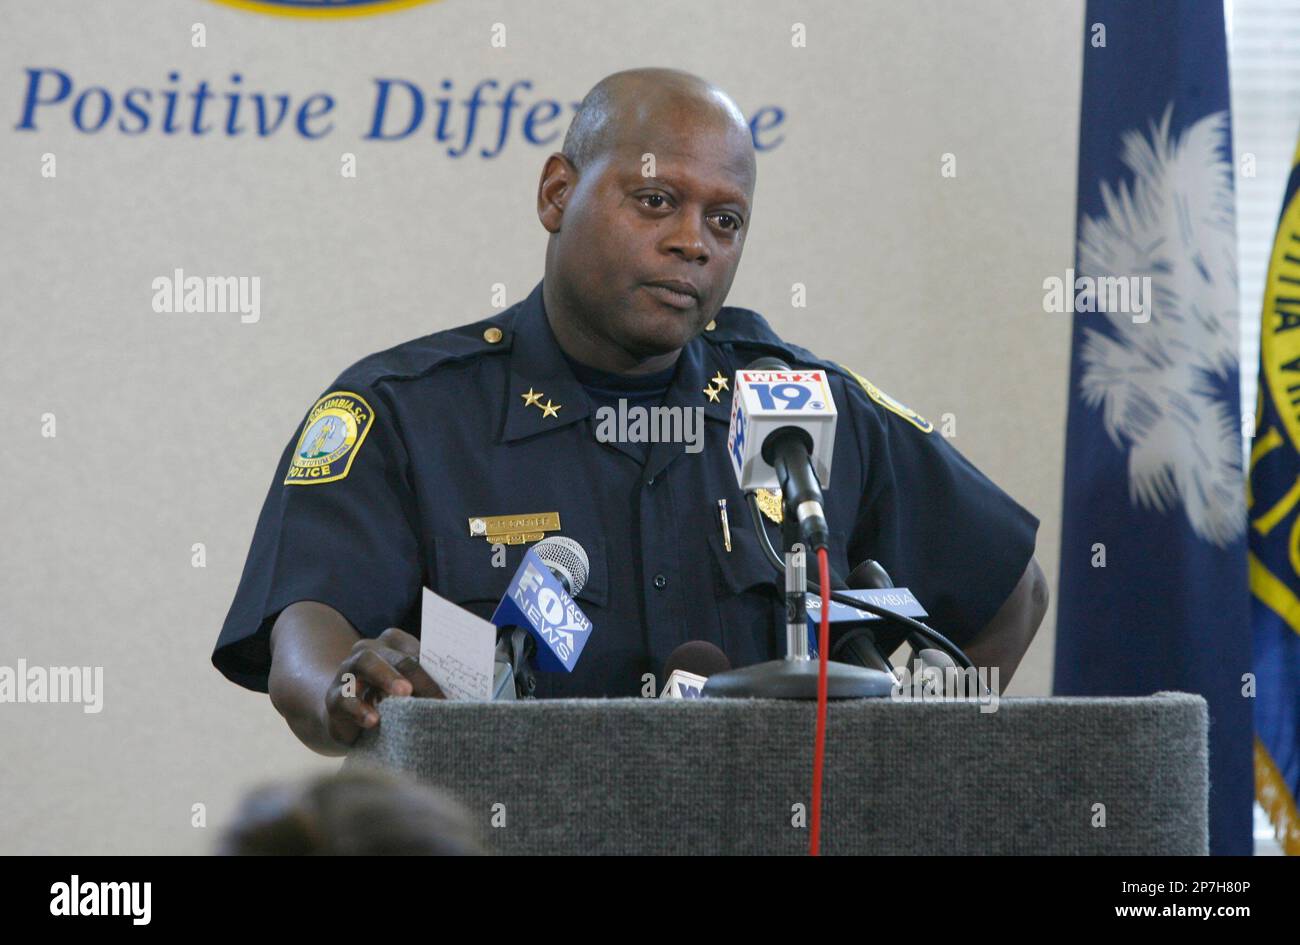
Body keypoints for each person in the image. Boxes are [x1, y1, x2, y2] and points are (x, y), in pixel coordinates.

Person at [212, 67, 1048, 756]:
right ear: (556, 194)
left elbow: (1011, 592)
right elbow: (305, 632)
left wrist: (913, 757)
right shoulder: (407, 412)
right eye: (656, 202)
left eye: (726, 219)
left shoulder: (801, 408)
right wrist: (345, 683)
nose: (695, 242)